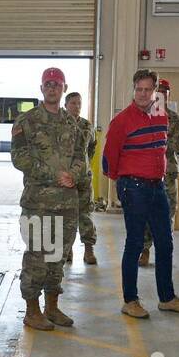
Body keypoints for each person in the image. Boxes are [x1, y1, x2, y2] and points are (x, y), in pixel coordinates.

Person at [103, 70, 179, 318]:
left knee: (165, 242)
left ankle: (167, 297)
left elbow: (164, 149)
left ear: (155, 91)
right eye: (139, 89)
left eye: (148, 90)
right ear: (134, 90)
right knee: (134, 243)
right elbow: (108, 159)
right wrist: (122, 186)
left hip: (158, 187)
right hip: (133, 187)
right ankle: (130, 300)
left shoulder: (161, 116)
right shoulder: (122, 120)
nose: (143, 94)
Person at [13, 67, 89, 331]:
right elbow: (19, 158)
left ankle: (52, 307)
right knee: (37, 257)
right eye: (48, 84)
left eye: (57, 83)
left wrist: (74, 176)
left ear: (64, 88)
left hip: (67, 202)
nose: (53, 88)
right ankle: (32, 311)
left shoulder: (74, 124)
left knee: (58, 256)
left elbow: (82, 158)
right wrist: (53, 175)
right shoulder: (27, 121)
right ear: (41, 88)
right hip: (38, 202)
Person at [140, 78, 179, 267]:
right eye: (158, 91)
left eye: (165, 91)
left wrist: (153, 143)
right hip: (145, 173)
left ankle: (164, 252)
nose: (162, 94)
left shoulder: (177, 120)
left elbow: (174, 146)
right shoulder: (143, 117)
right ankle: (144, 249)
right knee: (145, 213)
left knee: (167, 213)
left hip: (167, 174)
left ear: (169, 94)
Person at [64, 91, 99, 266]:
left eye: (79, 103)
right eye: (73, 103)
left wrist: (84, 164)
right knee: (67, 215)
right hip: (66, 178)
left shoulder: (87, 125)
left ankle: (88, 249)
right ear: (65, 105)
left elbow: (92, 147)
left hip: (83, 178)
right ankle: (67, 250)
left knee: (85, 213)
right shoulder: (60, 125)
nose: (76, 106)